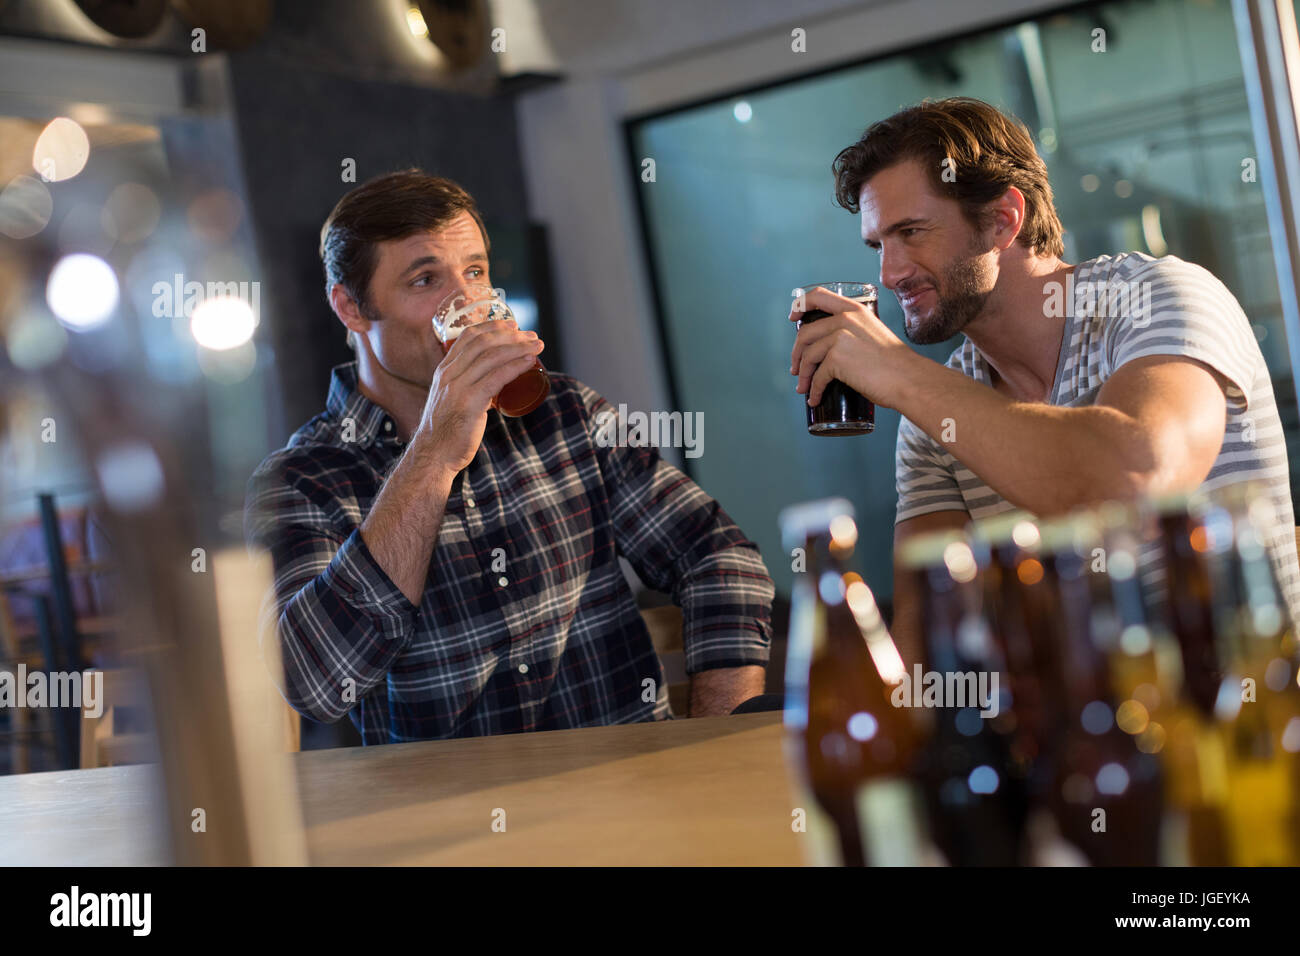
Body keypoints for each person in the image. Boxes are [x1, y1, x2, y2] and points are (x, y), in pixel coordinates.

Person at [246, 169, 773, 744]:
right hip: (452, 816)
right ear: (350, 307)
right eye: (425, 280)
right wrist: (433, 454)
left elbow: (716, 554)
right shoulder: (300, 479)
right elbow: (314, 684)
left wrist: (717, 740)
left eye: (475, 272)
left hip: (624, 791)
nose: (467, 302)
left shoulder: (567, 412)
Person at [788, 97, 1300, 663]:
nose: (889, 273)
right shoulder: (933, 425)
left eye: (912, 231)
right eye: (879, 245)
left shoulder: (1155, 297)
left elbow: (1134, 478)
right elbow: (928, 649)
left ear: (1005, 219)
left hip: (1250, 720)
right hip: (1082, 737)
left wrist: (900, 373)